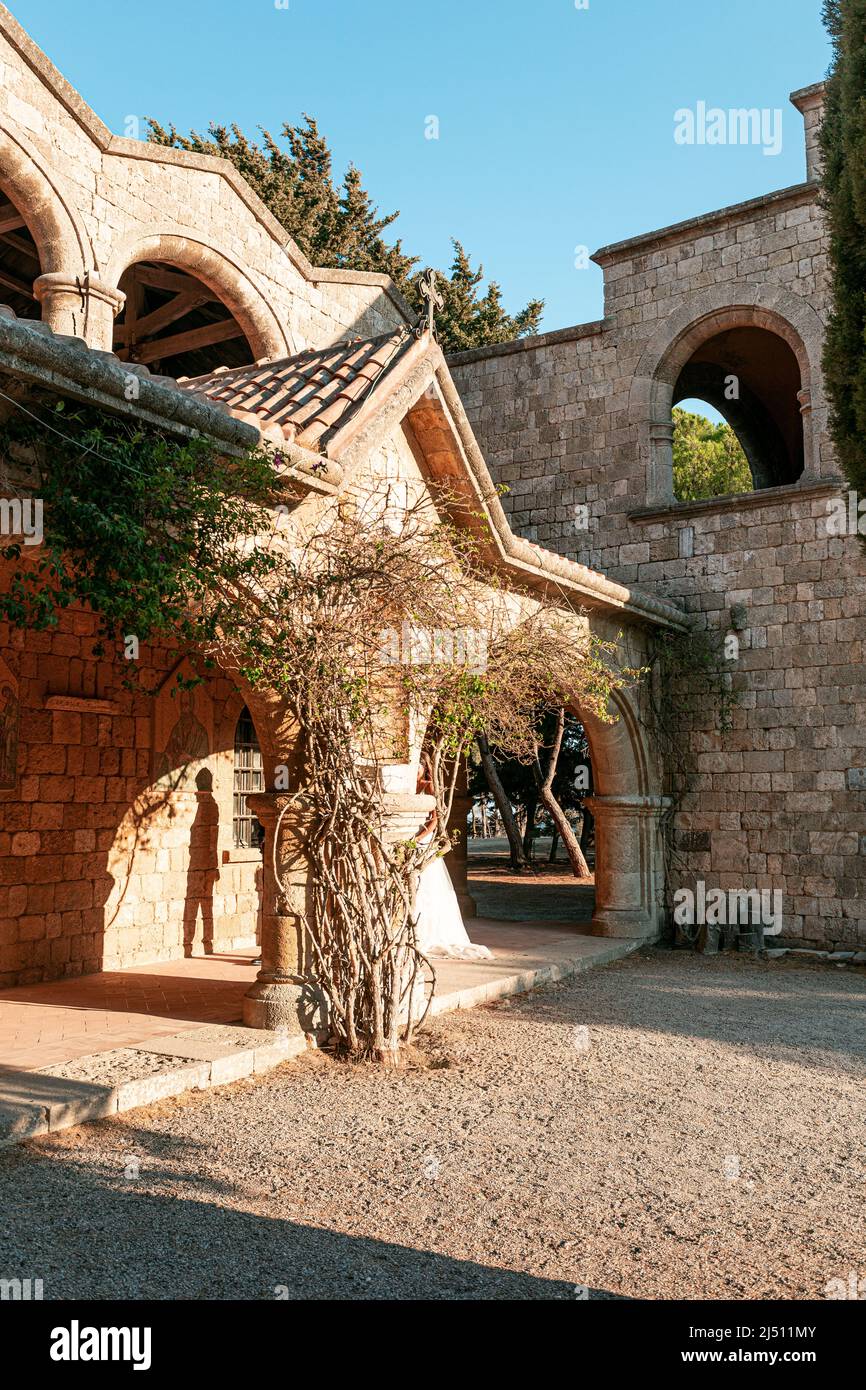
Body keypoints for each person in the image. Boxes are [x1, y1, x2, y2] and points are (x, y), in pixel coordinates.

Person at [414, 754, 492, 961]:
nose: (415, 771)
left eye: (418, 767)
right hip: (410, 839)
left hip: (422, 841)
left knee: (428, 889)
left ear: (424, 768)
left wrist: (419, 838)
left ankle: (428, 932)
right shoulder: (407, 787)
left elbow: (434, 821)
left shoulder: (428, 786)